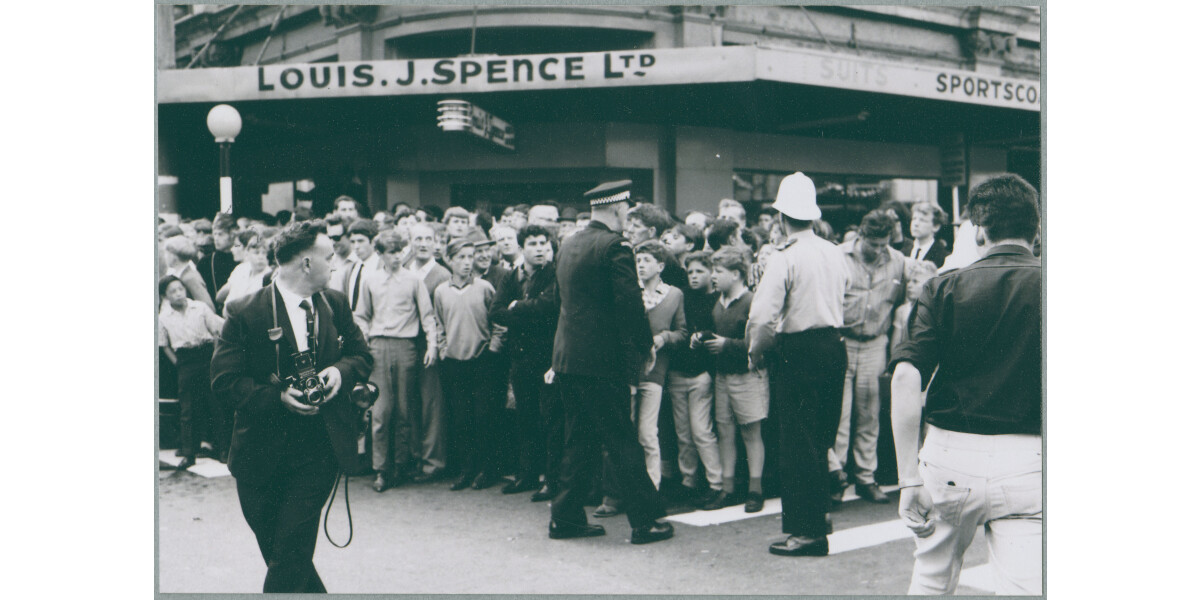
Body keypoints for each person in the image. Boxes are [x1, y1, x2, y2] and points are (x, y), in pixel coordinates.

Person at [890, 174, 1042, 595]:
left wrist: (907, 479)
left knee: (932, 577)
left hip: (950, 454)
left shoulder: (942, 287)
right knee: (1025, 587)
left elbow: (906, 376)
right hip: (1030, 456)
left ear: (978, 230)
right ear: (1037, 229)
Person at [210, 220, 373, 593]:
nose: (334, 264)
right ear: (305, 264)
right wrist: (279, 397)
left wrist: (339, 371)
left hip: (318, 449)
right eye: (329, 257)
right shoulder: (244, 311)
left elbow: (360, 355)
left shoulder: (334, 302)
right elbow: (224, 382)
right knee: (285, 555)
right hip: (259, 454)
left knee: (289, 554)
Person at [547, 179, 674, 544]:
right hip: (602, 363)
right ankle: (646, 521)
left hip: (568, 358)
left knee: (577, 439)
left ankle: (565, 518)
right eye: (625, 210)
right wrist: (644, 346)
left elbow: (563, 301)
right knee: (622, 440)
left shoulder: (569, 244)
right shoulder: (615, 246)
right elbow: (629, 304)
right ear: (617, 209)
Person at [747, 172, 849, 557]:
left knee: (797, 443)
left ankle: (806, 531)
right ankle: (819, 513)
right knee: (822, 436)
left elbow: (762, 317)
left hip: (798, 350)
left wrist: (755, 354)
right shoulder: (834, 251)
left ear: (781, 217)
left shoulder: (784, 257)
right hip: (833, 346)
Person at [828, 210, 909, 505]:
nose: (877, 250)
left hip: (876, 341)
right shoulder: (838, 257)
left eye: (883, 244)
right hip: (843, 340)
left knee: (869, 413)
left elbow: (903, 302)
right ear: (860, 235)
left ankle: (865, 477)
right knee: (840, 413)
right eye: (872, 243)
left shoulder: (898, 261)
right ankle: (836, 478)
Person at [353, 230, 439, 492]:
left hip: (406, 347)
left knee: (404, 410)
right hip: (379, 346)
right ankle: (381, 469)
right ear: (380, 253)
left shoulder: (413, 280)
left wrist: (433, 344)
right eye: (391, 252)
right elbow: (361, 314)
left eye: (400, 251)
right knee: (380, 411)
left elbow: (427, 316)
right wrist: (365, 339)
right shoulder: (371, 280)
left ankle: (401, 465)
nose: (397, 256)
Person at [489, 224, 559, 497]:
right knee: (525, 417)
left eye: (544, 243)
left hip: (547, 357)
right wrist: (528, 313)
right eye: (533, 244)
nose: (540, 249)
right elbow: (496, 311)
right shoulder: (510, 277)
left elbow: (551, 307)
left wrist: (518, 308)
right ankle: (528, 474)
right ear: (522, 248)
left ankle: (551, 480)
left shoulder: (553, 274)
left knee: (550, 419)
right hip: (520, 356)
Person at [434, 238, 505, 491]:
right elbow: (439, 323)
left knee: (484, 415)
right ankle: (467, 469)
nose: (466, 263)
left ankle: (488, 469)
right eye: (461, 257)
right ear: (450, 260)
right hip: (455, 363)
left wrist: (493, 349)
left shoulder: (484, 288)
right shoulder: (442, 291)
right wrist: (443, 349)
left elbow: (498, 321)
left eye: (470, 257)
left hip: (482, 361)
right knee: (461, 418)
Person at [704, 247, 768, 513]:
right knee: (725, 432)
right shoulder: (717, 301)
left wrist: (727, 345)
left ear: (736, 274)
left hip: (748, 376)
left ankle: (755, 489)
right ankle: (727, 488)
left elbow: (761, 343)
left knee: (751, 432)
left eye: (718, 271)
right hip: (723, 376)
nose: (713, 276)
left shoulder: (752, 301)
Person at [668, 250, 724, 509]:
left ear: (712, 273)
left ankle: (716, 483)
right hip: (678, 371)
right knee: (683, 433)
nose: (693, 276)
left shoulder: (716, 300)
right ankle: (689, 480)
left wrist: (704, 334)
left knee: (702, 430)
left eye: (700, 271)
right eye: (690, 271)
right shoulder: (681, 296)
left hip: (701, 373)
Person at [159, 275, 226, 468]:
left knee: (215, 404)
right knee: (188, 409)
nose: (179, 293)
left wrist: (214, 356)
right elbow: (164, 346)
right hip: (185, 360)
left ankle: (223, 449)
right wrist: (179, 363)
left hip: (206, 355)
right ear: (165, 296)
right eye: (173, 291)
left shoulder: (200, 308)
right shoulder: (163, 318)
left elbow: (215, 331)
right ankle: (189, 453)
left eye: (181, 288)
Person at [404, 222, 453, 482]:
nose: (422, 243)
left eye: (427, 239)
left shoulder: (442, 274)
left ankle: (433, 462)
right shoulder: (404, 270)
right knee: (411, 404)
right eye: (417, 238)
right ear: (410, 242)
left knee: (431, 406)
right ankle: (414, 456)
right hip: (407, 343)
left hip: (430, 346)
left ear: (436, 243)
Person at [219, 229, 273, 311]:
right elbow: (227, 299)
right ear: (247, 252)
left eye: (264, 253)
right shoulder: (241, 269)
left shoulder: (269, 277)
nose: (261, 257)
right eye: (257, 253)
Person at [197, 212, 239, 312]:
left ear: (232, 235)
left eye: (220, 234)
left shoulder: (241, 259)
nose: (216, 238)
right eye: (214, 234)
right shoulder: (205, 262)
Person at [162, 235, 215, 311]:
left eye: (166, 253)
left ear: (173, 256)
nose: (165, 257)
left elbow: (208, 307)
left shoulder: (189, 278)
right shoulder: (181, 274)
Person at [900, 201, 950, 267]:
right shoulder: (902, 253)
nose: (916, 224)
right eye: (914, 219)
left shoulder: (943, 256)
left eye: (922, 220)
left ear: (936, 226)